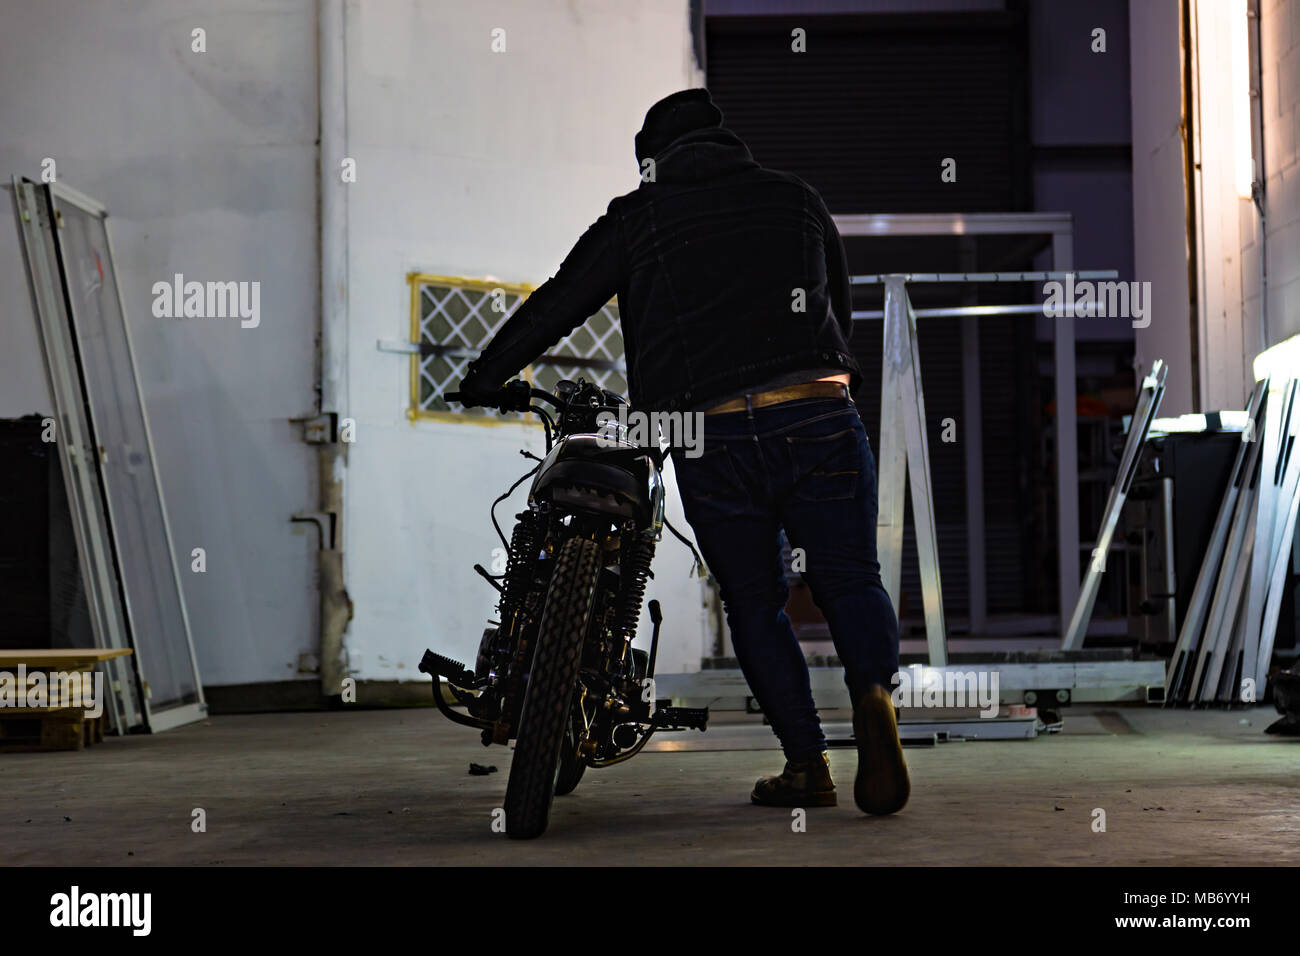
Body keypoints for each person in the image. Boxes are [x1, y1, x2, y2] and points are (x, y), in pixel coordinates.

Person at [458, 88, 909, 815]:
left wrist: (485, 375)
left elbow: (561, 298)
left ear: (653, 162)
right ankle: (875, 694)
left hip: (714, 429)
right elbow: (839, 313)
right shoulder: (797, 200)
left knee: (756, 604)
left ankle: (807, 765)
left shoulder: (637, 218)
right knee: (852, 578)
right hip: (818, 410)